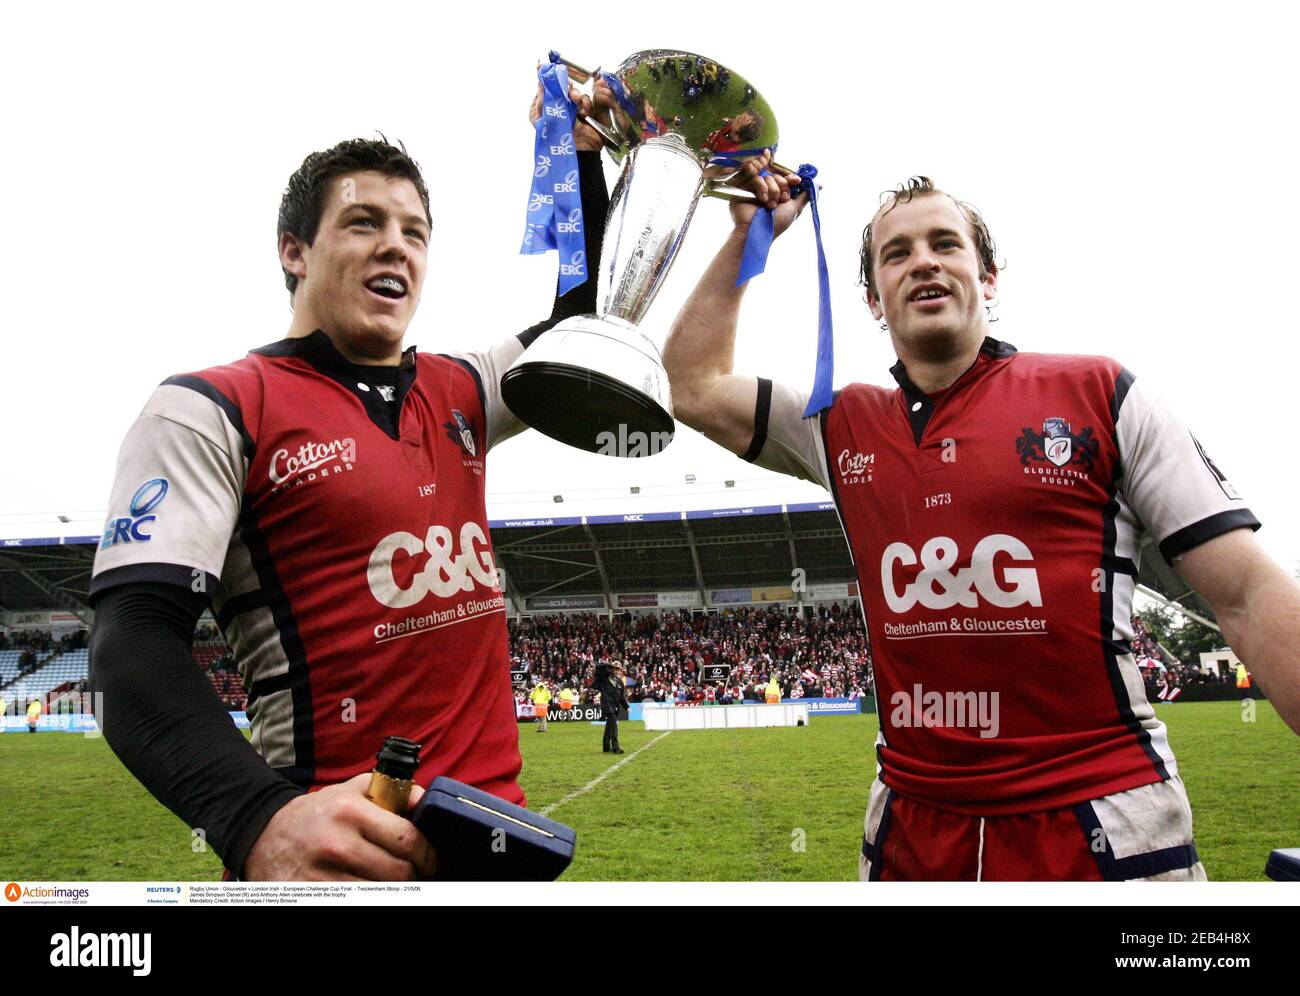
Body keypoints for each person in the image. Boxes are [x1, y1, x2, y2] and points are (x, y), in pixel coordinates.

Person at [662, 169, 1300, 881]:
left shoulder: (1100, 393)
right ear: (874, 299)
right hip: (912, 832)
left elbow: (1243, 592)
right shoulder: (834, 423)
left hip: (1105, 823)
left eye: (946, 244)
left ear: (988, 278)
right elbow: (689, 383)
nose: (923, 261)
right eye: (896, 254)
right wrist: (750, 241)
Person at [88, 83, 614, 881]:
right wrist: (254, 819)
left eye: (415, 233)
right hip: (336, 863)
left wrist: (579, 160)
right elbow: (131, 644)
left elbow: (578, 326)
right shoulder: (210, 407)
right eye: (363, 223)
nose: (395, 247)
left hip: (494, 847)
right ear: (293, 249)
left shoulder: (461, 386)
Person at [592, 659, 629, 754]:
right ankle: (616, 748)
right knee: (614, 726)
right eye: (615, 669)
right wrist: (606, 667)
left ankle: (606, 746)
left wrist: (626, 706)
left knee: (609, 726)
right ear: (611, 669)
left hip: (615, 706)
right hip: (607, 706)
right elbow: (598, 669)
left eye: (619, 669)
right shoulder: (604, 679)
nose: (617, 671)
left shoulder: (620, 682)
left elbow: (622, 696)